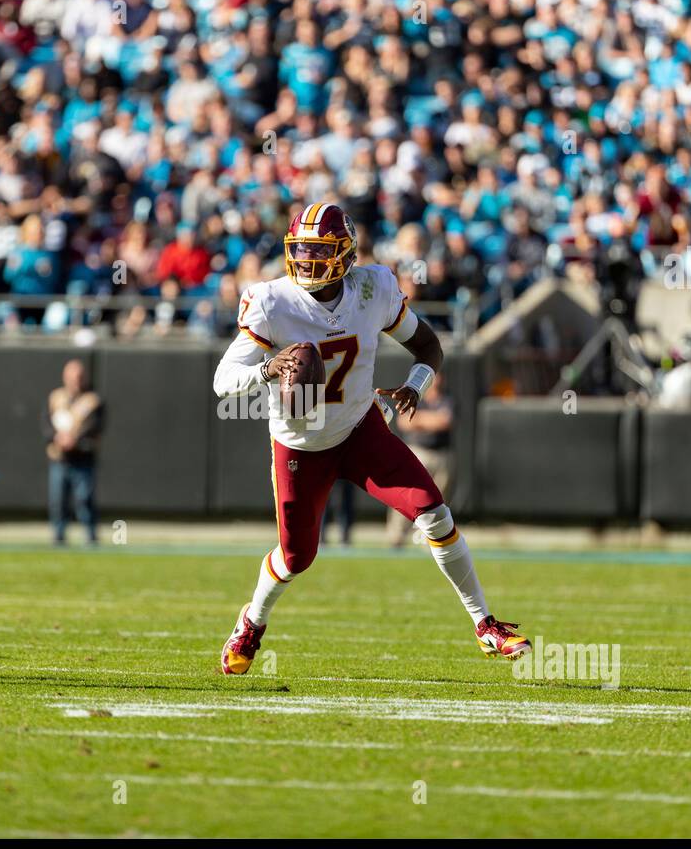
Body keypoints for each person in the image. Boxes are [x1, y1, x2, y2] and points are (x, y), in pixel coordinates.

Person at [212, 203, 531, 674]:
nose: (304, 261)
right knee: (297, 557)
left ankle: (485, 624)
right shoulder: (272, 301)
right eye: (299, 250)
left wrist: (413, 387)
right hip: (300, 445)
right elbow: (223, 380)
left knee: (434, 512)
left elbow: (428, 346)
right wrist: (267, 367)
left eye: (317, 251)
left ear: (344, 254)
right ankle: (252, 622)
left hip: (361, 429)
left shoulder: (373, 287)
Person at [386, 372, 453, 546]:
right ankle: (396, 537)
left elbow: (445, 421)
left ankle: (428, 538)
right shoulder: (417, 397)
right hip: (418, 452)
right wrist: (432, 420)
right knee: (406, 495)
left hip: (440, 454)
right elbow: (404, 422)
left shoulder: (447, 398)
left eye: (440, 376)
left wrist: (420, 420)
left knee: (437, 501)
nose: (437, 380)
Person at [44, 359, 103, 545]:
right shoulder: (56, 397)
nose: (75, 381)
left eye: (79, 377)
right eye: (72, 377)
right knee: (58, 499)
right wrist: (57, 437)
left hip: (82, 457)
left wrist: (74, 440)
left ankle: (90, 534)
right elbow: (45, 423)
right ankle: (58, 534)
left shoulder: (92, 400)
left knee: (84, 498)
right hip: (60, 457)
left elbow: (95, 425)